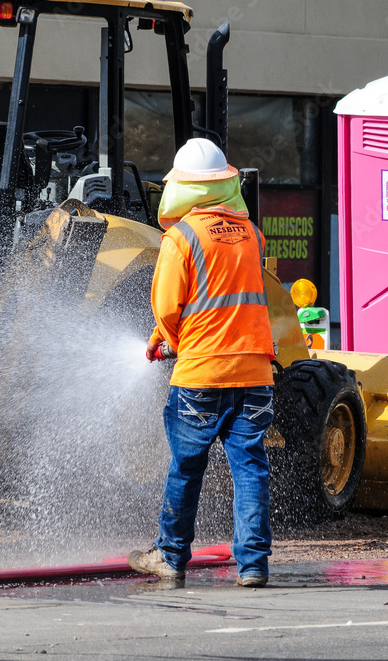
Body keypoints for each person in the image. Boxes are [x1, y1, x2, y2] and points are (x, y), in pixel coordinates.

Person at [128, 138, 275, 588]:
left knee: (187, 466)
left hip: (202, 372)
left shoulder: (181, 238)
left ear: (183, 188)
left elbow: (168, 307)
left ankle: (170, 556)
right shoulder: (253, 234)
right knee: (249, 465)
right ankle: (253, 565)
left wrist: (164, 341)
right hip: (254, 371)